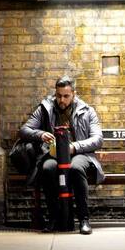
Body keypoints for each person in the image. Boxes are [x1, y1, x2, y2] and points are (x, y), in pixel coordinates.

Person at [18, 76, 104, 234]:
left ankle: (84, 219)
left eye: (66, 96)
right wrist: (40, 134)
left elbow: (98, 139)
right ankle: (54, 218)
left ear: (73, 94)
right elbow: (24, 130)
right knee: (47, 168)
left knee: (76, 168)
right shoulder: (46, 108)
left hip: (79, 154)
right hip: (54, 155)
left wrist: (74, 147)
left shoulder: (87, 111)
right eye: (58, 96)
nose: (61, 100)